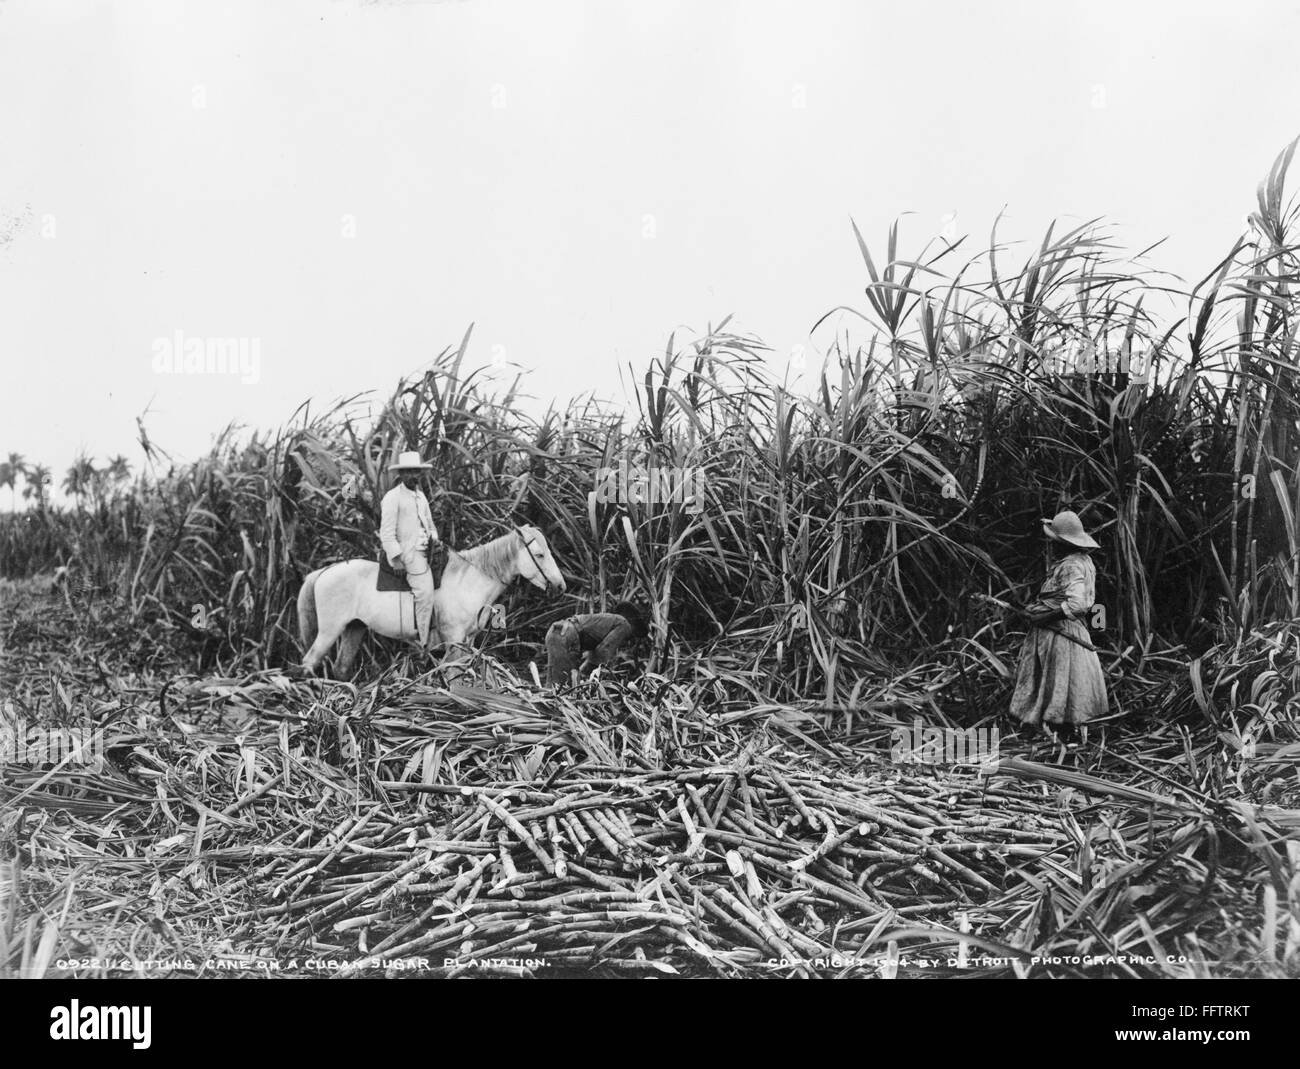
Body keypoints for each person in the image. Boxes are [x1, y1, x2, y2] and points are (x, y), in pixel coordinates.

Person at [1009, 510, 1109, 734]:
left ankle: (1056, 725)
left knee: (1061, 677)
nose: (1052, 546)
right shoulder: (1083, 561)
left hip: (1060, 632)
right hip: (1065, 630)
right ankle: (1056, 724)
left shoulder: (1071, 566)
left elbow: (1078, 604)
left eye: (1055, 542)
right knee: (1065, 679)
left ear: (1064, 543)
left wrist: (1042, 617)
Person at [378, 450, 441, 648]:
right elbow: (386, 532)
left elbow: (430, 524)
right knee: (425, 591)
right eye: (409, 472)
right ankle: (425, 643)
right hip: (409, 553)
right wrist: (396, 558)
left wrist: (435, 540)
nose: (414, 476)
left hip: (427, 549)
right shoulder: (392, 497)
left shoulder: (420, 496)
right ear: (401, 474)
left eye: (416, 472)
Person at [546, 601, 649, 685]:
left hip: (556, 632)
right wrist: (603, 677)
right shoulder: (624, 625)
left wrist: (585, 672)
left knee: (554, 680)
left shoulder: (611, 620)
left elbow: (596, 652)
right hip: (568, 635)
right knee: (565, 685)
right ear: (635, 627)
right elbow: (603, 650)